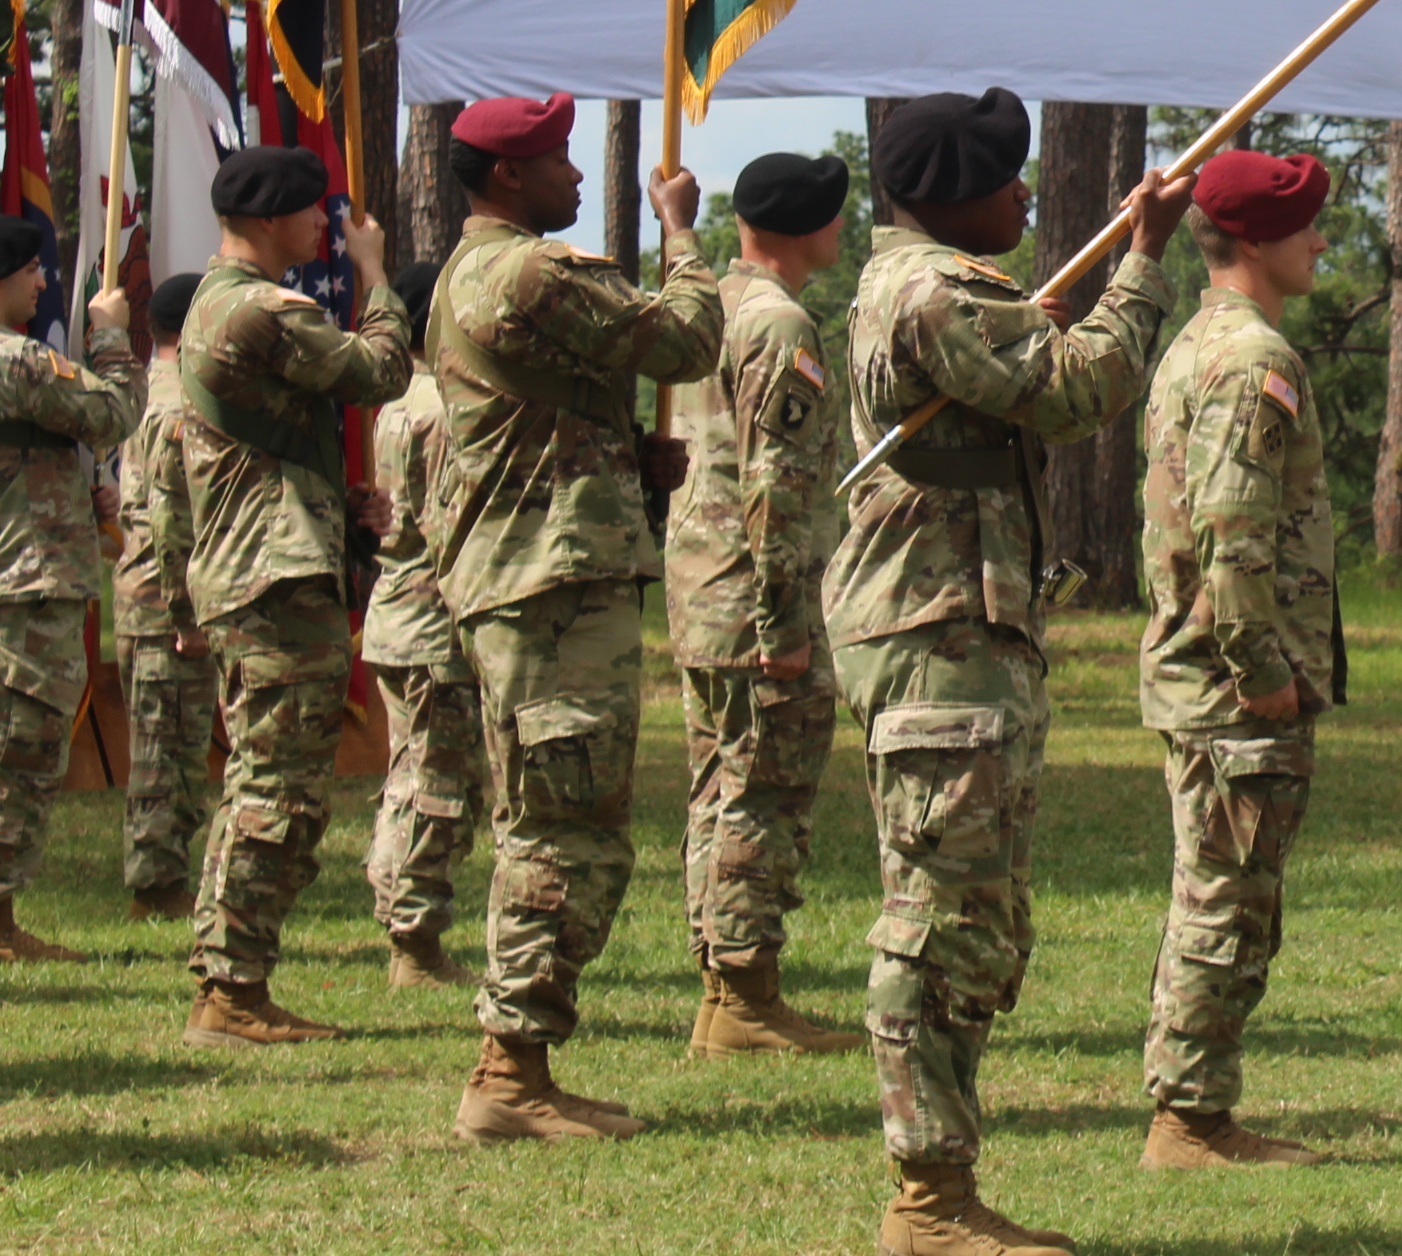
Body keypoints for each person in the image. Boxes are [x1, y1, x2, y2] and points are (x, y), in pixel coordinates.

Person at [829, 89, 1188, 1256]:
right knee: (939, 917)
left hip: (954, 629)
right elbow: (1082, 390)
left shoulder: (929, 288)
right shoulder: (936, 292)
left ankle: (940, 1190)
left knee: (971, 908)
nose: (1026, 196)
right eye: (1005, 179)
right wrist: (1143, 263)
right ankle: (927, 1204)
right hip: (937, 634)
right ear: (951, 197)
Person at [428, 92, 720, 1141]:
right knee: (565, 832)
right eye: (559, 158)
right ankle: (509, 1072)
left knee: (548, 820)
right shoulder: (532, 270)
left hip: (530, 576)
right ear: (509, 175)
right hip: (550, 584)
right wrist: (681, 233)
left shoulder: (469, 272)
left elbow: (527, 412)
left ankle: (520, 1064)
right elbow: (687, 340)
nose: (579, 174)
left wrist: (618, 453)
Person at [1135, 148, 1347, 1170]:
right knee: (1227, 901)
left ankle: (1192, 1107)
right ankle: (1189, 1120)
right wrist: (1260, 668)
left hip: (1204, 673)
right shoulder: (1255, 359)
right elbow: (1232, 524)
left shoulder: (1197, 345)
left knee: (1219, 889)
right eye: (1306, 227)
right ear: (1256, 242)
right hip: (1234, 687)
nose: (1321, 243)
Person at [176, 145, 414, 1047]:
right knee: (279, 789)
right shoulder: (263, 309)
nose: (325, 226)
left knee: (262, 779)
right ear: (272, 218)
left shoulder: (214, 304)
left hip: (260, 563)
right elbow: (381, 371)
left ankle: (228, 978)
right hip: (273, 578)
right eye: (313, 212)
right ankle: (232, 991)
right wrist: (375, 273)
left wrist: (334, 505)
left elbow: (262, 445)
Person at [670, 149, 860, 1057]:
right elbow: (776, 486)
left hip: (703, 592)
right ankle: (746, 994)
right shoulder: (781, 327)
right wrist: (785, 622)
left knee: (719, 791)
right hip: (756, 600)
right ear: (807, 227)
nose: (842, 227)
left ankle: (722, 988)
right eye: (834, 213)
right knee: (762, 797)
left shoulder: (710, 306)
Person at [0, 211, 140, 963]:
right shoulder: (7, 358)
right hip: (20, 585)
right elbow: (114, 412)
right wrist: (111, 337)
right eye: (32, 271)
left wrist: (71, 489)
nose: (43, 283)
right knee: (18, 748)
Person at [365, 260, 484, 986]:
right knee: (434, 784)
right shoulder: (441, 408)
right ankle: (412, 940)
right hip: (433, 619)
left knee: (412, 773)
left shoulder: (395, 402)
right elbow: (450, 529)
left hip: (398, 612)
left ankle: (403, 917)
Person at [112, 271, 212, 922]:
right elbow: (174, 520)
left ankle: (164, 871)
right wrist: (186, 614)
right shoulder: (180, 406)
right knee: (166, 749)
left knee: (164, 740)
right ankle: (156, 884)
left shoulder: (145, 391)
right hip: (163, 602)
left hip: (141, 593)